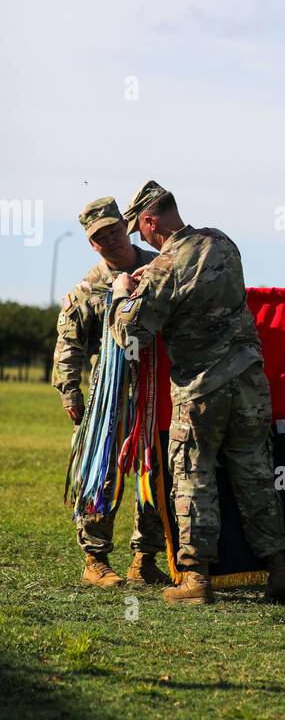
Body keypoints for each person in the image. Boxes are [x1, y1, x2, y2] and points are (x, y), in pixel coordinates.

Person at [110, 182, 285, 607]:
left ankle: (195, 579)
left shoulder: (165, 265)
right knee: (255, 474)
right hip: (250, 381)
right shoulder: (223, 242)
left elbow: (132, 334)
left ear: (151, 220)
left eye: (141, 230)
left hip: (201, 388)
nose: (143, 239)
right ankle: (278, 569)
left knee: (194, 476)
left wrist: (122, 293)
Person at [52, 197, 168, 589]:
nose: (110, 240)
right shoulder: (88, 288)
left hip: (161, 390)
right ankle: (95, 559)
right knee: (103, 470)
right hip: (111, 393)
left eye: (114, 230)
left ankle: (145, 559)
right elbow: (69, 345)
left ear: (127, 226)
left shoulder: (161, 266)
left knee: (156, 472)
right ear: (92, 244)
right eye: (100, 237)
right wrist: (70, 390)